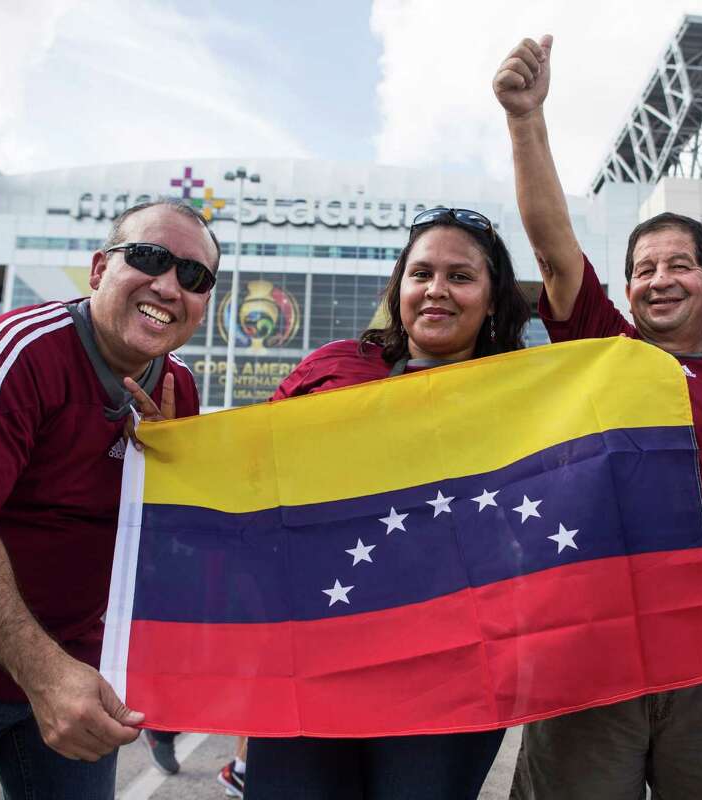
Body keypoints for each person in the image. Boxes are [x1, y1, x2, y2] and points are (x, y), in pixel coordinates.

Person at [493, 36, 702, 800]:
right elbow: (552, 247)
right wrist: (526, 120)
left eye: (678, 266)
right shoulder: (603, 349)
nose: (659, 280)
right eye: (643, 270)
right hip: (592, 663)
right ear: (628, 291)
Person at [0, 198, 214, 799]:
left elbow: (166, 548)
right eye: (149, 257)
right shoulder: (18, 347)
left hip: (78, 665)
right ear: (99, 269)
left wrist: (175, 477)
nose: (168, 284)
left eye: (193, 275)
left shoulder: (177, 386)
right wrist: (44, 673)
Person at [243, 206, 531, 799]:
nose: (436, 291)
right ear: (399, 286)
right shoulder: (332, 367)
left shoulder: (529, 391)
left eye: (460, 276)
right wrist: (173, 448)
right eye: (421, 273)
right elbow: (247, 471)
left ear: (494, 297)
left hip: (453, 677)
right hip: (315, 659)